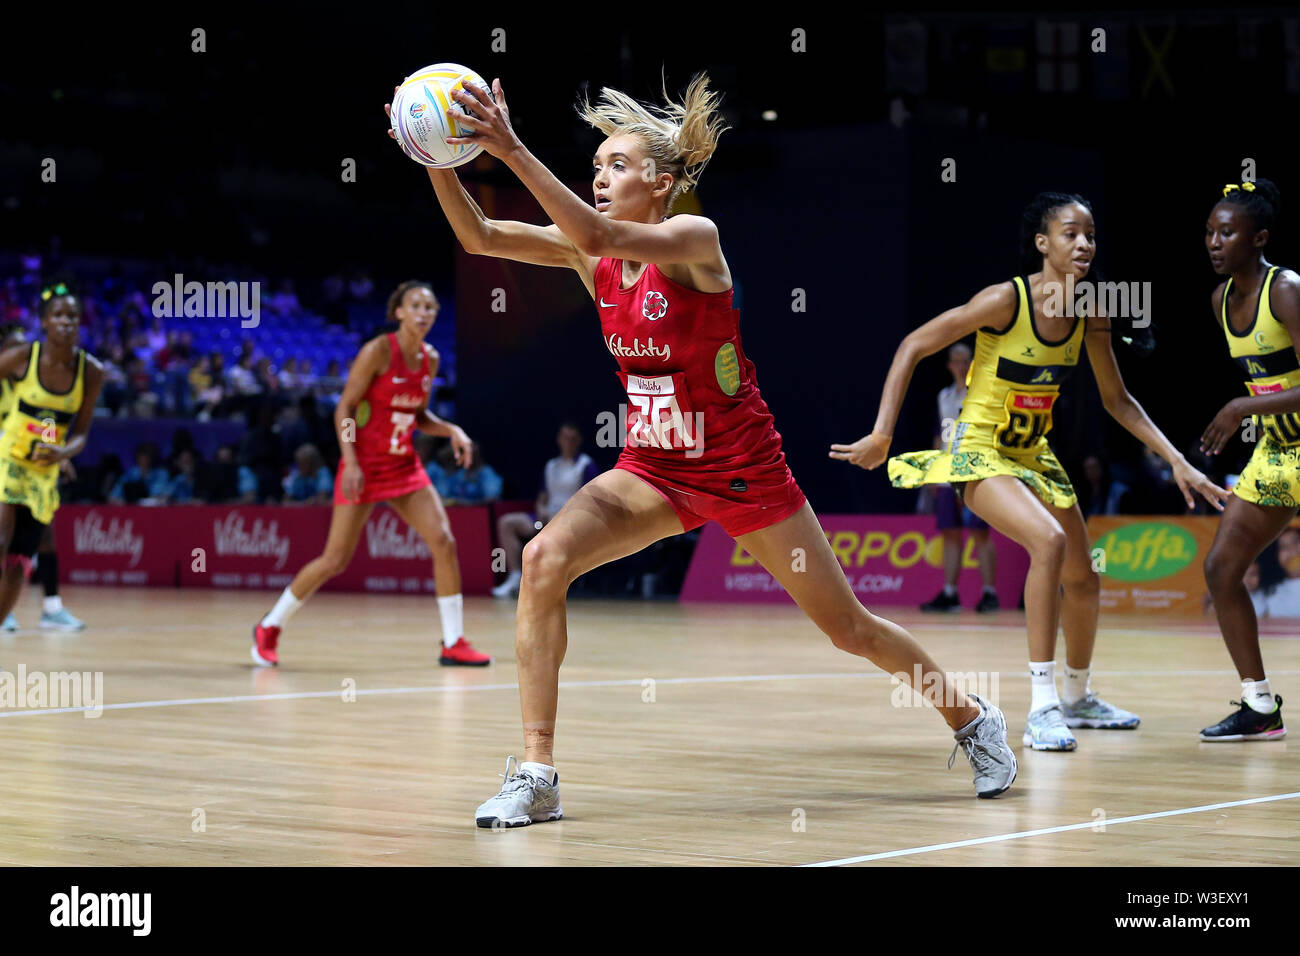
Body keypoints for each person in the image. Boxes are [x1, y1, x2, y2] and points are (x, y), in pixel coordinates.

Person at [394, 71, 1017, 826]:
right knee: (540, 559)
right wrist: (434, 152)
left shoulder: (695, 241)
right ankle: (537, 771)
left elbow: (594, 234)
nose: (599, 176)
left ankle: (972, 719)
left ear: (660, 183)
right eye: (595, 166)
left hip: (746, 472)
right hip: (656, 470)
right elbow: (480, 236)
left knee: (848, 628)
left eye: (616, 165)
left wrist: (508, 145)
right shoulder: (592, 259)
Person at [833, 191, 1230, 752]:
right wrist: (882, 432)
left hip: (1033, 456)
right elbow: (914, 344)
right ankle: (1041, 708)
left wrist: (1178, 461)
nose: (1084, 244)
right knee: (1046, 542)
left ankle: (1077, 697)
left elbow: (1120, 402)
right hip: (979, 450)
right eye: (1070, 233)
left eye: (1090, 234)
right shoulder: (1005, 301)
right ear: (1043, 244)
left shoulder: (1091, 309)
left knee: (1084, 577)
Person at [251, 281, 491, 667]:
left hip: (403, 465)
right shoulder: (378, 352)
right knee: (334, 560)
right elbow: (343, 408)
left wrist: (453, 431)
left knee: (444, 540)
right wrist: (351, 460)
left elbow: (419, 416)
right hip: (362, 466)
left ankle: (453, 641)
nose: (424, 313)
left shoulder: (429, 359)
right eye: (415, 305)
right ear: (398, 312)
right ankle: (269, 626)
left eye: (430, 307)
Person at [1198, 178, 1295, 740]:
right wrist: (1248, 410)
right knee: (1221, 569)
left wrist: (1239, 405)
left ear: (1258, 238)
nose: (1214, 242)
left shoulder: (1286, 291)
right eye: (1209, 232)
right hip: (1281, 452)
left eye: (1227, 232)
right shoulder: (1220, 301)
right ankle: (1260, 706)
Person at [0, 283, 103, 634]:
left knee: (18, 562)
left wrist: (62, 452)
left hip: (43, 470)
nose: (66, 322)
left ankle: (44, 609)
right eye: (58, 315)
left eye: (72, 316)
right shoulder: (23, 357)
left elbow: (80, 432)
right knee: (1, 539)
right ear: (44, 322)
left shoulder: (91, 372)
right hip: (8, 459)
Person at [919, 343, 999, 613]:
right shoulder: (943, 396)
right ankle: (950, 594)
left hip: (975, 472)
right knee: (950, 534)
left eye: (966, 361)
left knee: (980, 532)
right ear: (949, 365)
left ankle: (990, 594)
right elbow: (939, 436)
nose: (962, 365)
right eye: (957, 361)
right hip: (946, 474)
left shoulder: (982, 394)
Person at [492, 422, 599, 598]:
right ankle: (515, 577)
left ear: (578, 441)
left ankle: (549, 583)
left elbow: (591, 498)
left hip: (571, 521)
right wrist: (541, 509)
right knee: (507, 523)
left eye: (573, 439)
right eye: (565, 438)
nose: (568, 442)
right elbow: (543, 497)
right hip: (546, 518)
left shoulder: (586, 464)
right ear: (559, 439)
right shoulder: (551, 466)